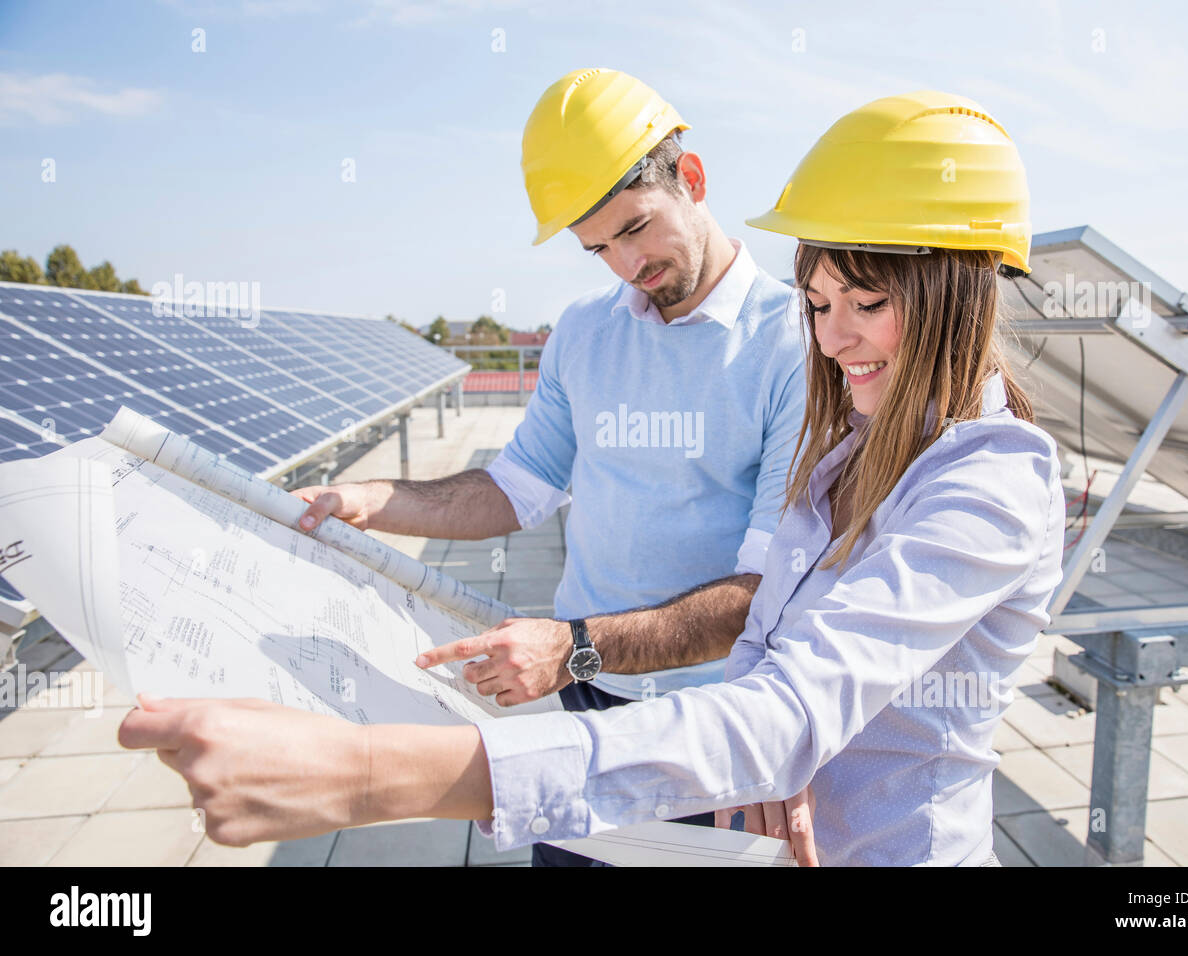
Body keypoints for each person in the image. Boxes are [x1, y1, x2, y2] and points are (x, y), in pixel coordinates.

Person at [120, 90, 1066, 866]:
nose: (833, 334)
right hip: (683, 759)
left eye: (865, 302)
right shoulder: (857, 435)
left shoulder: (967, 465)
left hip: (738, 763)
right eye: (821, 301)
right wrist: (370, 503)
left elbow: (764, 644)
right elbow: (770, 628)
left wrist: (368, 774)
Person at [287, 67, 807, 865]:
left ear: (691, 180)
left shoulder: (794, 346)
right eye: (598, 247)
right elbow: (514, 486)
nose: (625, 265)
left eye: (636, 228)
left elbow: (757, 598)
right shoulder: (585, 331)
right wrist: (370, 497)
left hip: (706, 732)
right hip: (580, 709)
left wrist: (571, 646)